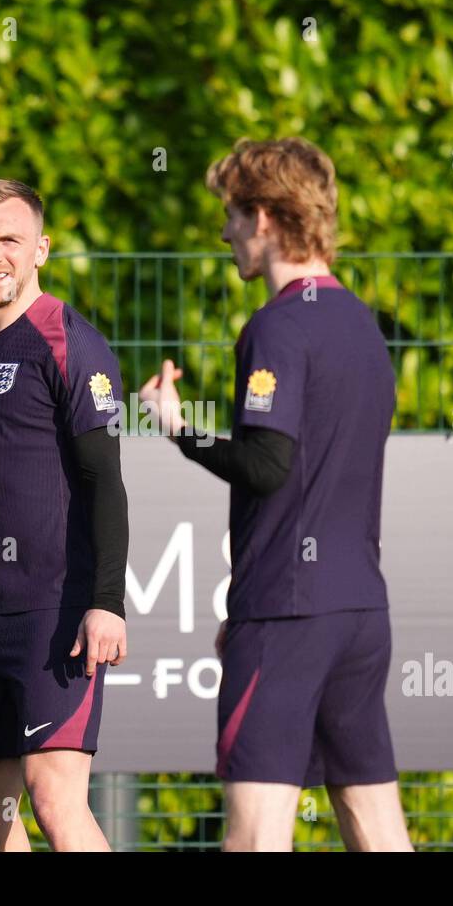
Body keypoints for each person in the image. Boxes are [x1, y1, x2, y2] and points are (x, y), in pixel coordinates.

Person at [139, 138, 415, 851]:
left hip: (289, 613)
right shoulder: (362, 325)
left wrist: (178, 429)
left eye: (230, 215)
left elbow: (267, 464)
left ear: (262, 216)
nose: (225, 231)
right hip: (359, 614)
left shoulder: (278, 326)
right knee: (379, 829)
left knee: (257, 837)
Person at [0, 179, 128, 851]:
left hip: (55, 610)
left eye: (9, 239)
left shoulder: (67, 341)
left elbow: (105, 481)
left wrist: (107, 602)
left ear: (40, 249)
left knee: (54, 794)